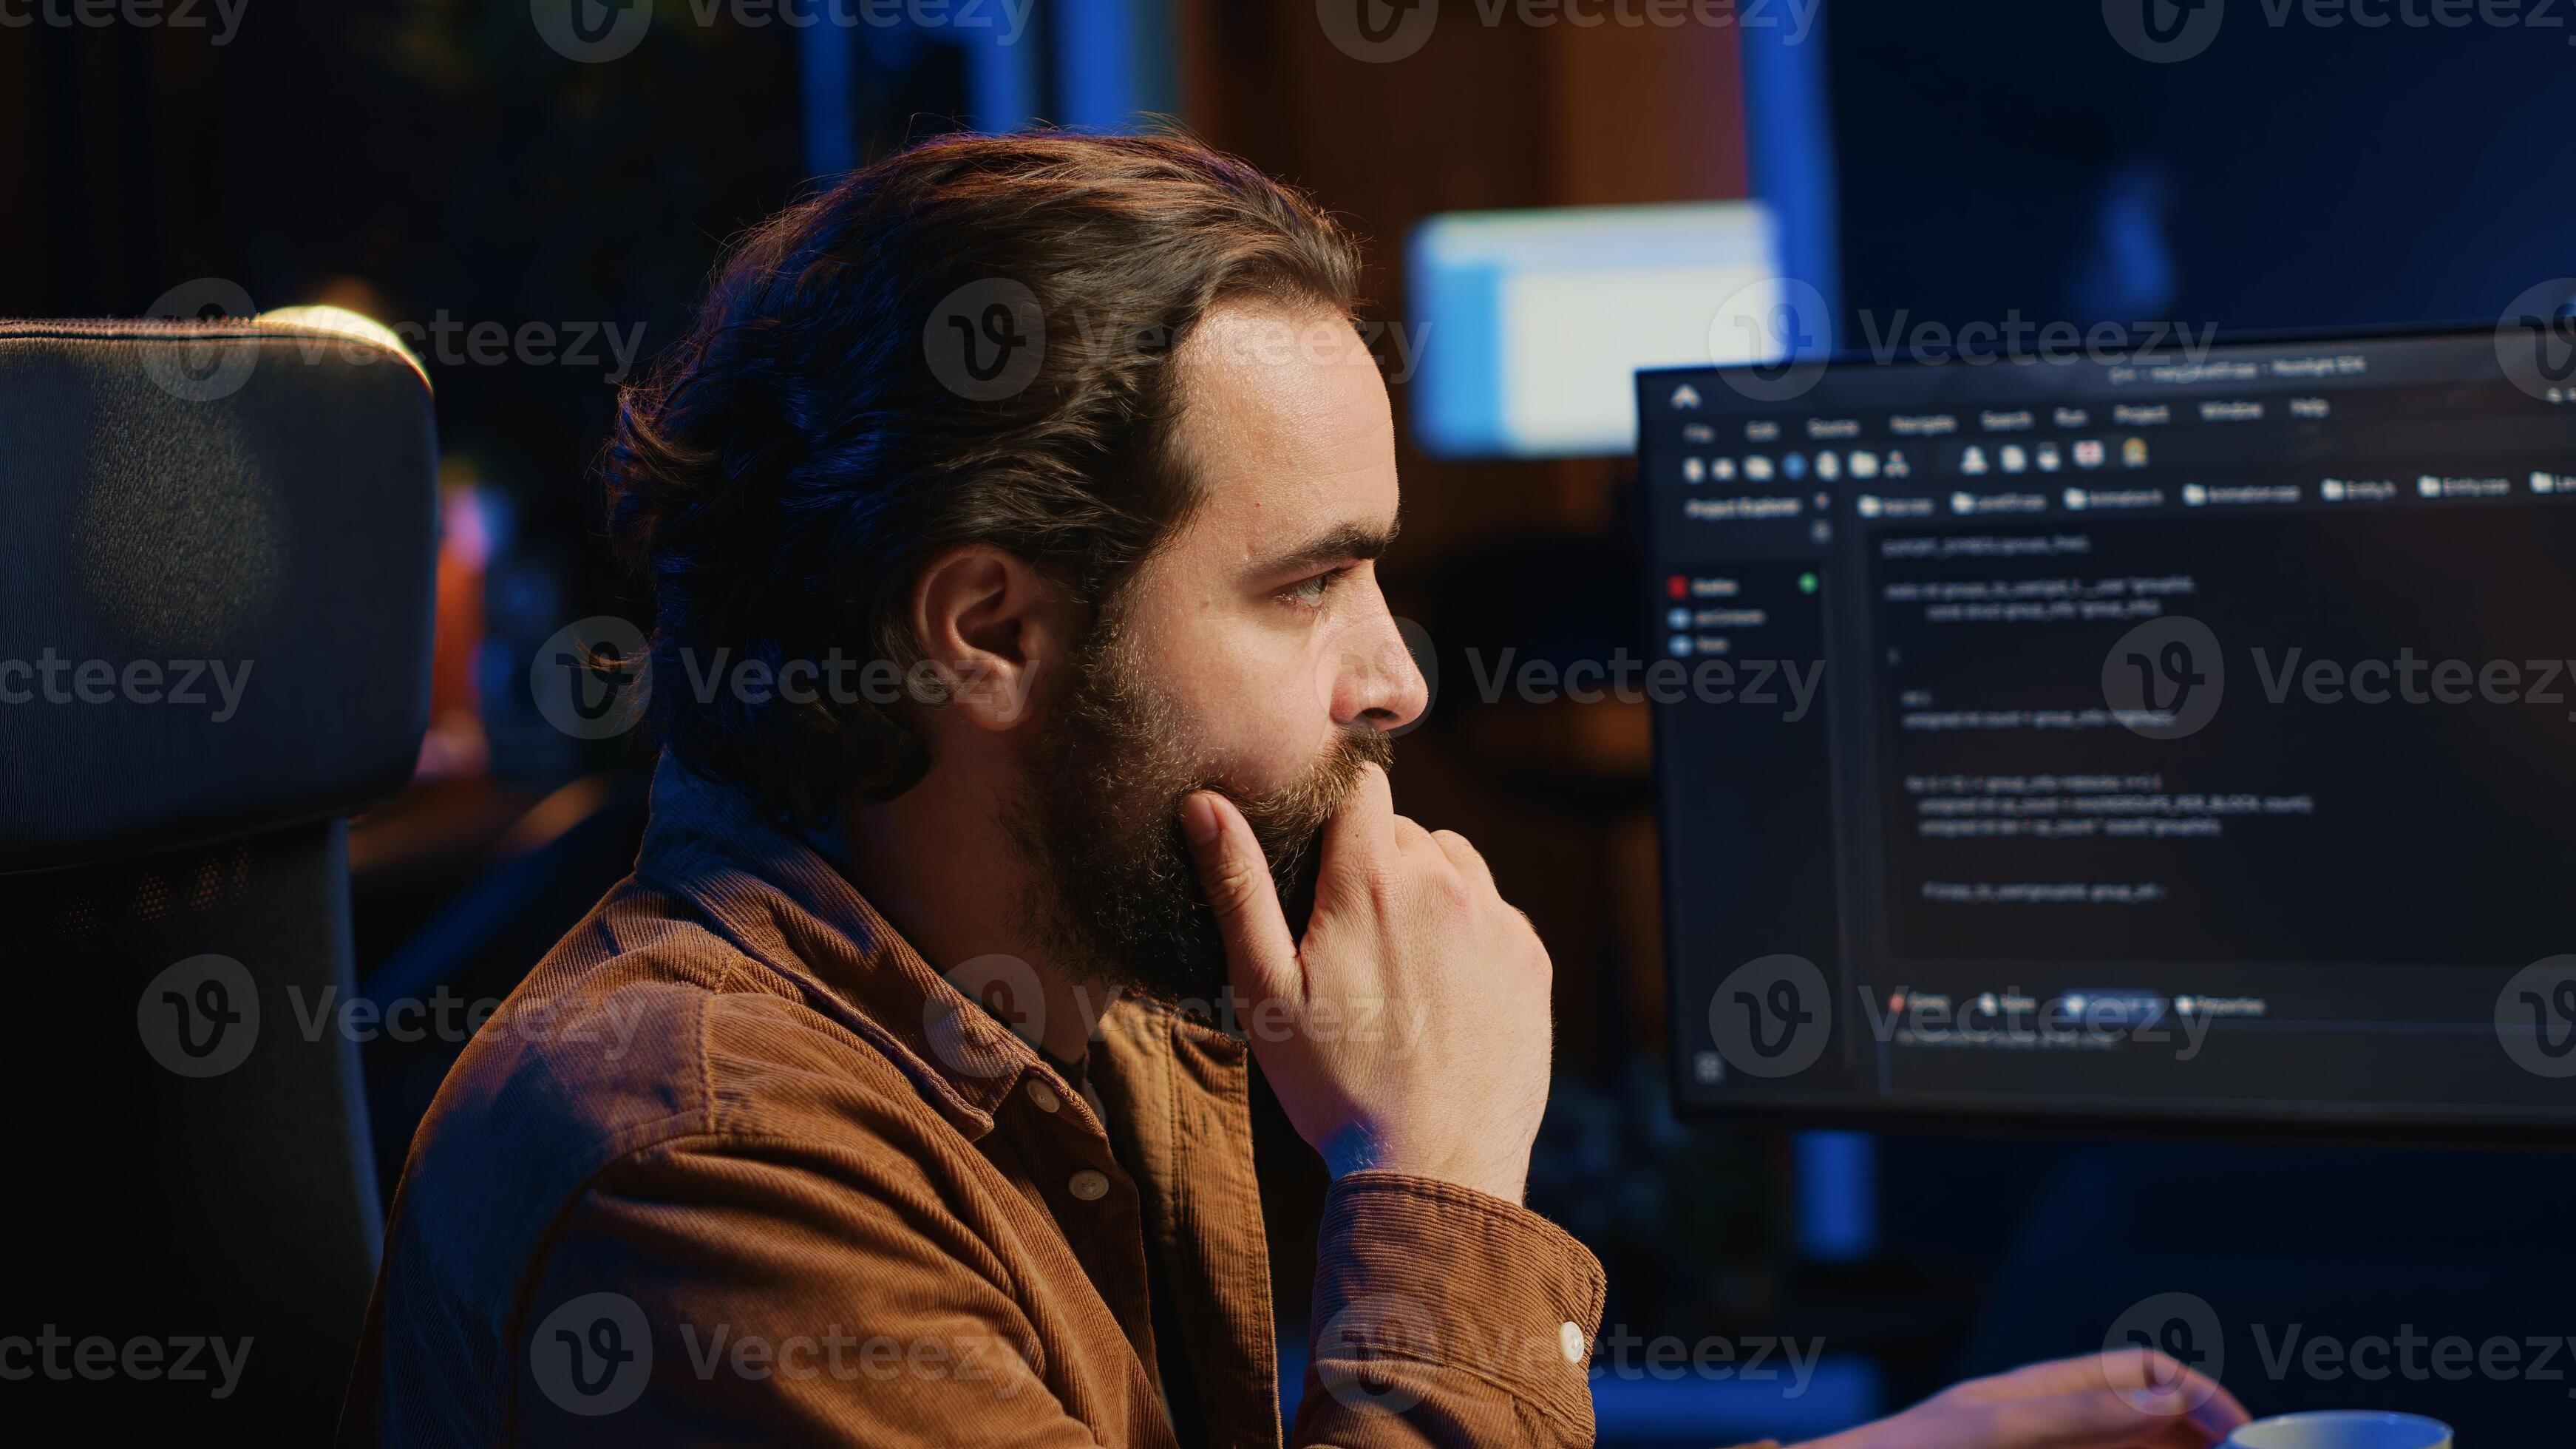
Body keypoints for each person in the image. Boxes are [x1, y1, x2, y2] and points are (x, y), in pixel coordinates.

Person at [339, 129, 2249, 1448]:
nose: (1398, 677)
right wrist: (1436, 1181)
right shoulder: (709, 1176)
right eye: (1308, 582)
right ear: (991, 630)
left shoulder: (1095, 973)